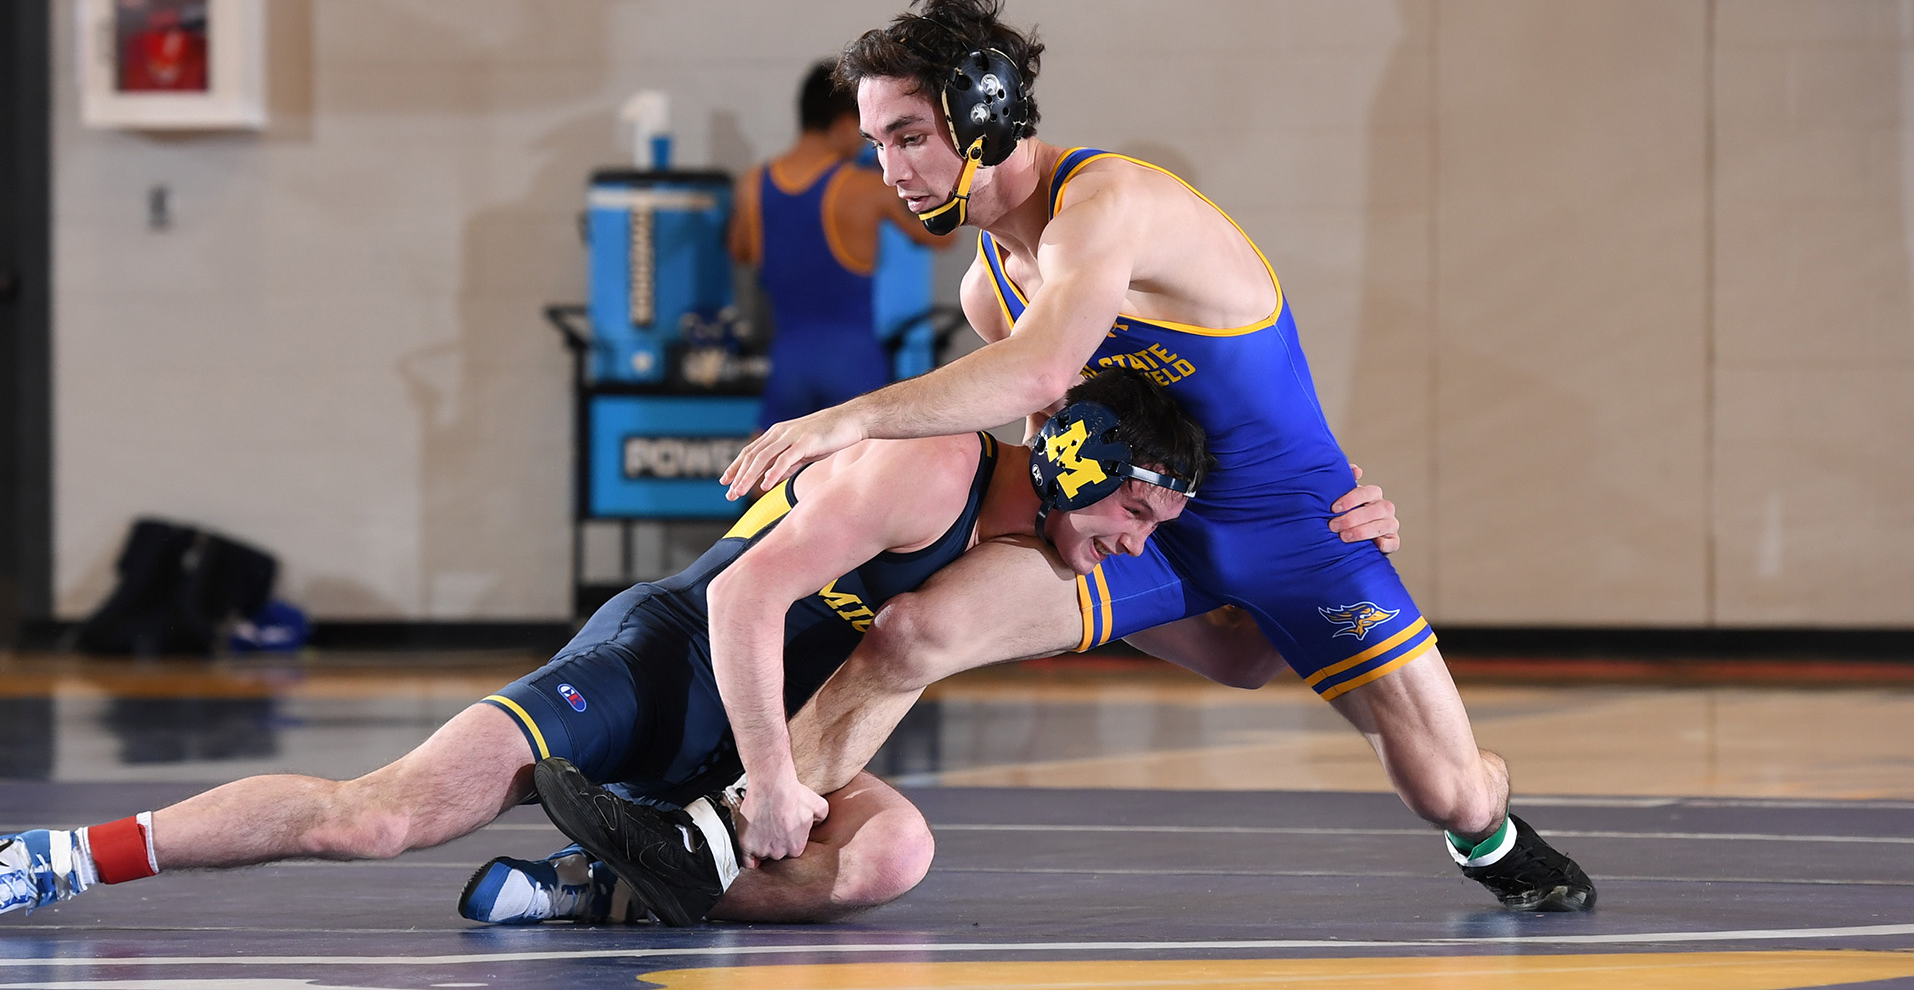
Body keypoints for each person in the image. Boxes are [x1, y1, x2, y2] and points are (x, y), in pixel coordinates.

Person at [706, 0, 1595, 917]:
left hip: (1298, 527)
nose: (888, 169)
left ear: (987, 117)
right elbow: (1056, 455)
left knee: (1441, 790)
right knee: (915, 633)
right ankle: (712, 836)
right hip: (1152, 532)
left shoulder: (1109, 203)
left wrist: (852, 418)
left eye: (910, 136)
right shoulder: (987, 288)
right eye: (877, 142)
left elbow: (1043, 374)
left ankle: (1488, 819)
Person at [0, 367, 1399, 926]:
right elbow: (741, 605)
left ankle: (592, 881)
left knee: (895, 854)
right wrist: (775, 780)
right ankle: (64, 858)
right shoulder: (934, 478)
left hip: (753, 751)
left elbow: (1242, 661)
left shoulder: (1048, 554)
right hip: (665, 665)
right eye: (1142, 515)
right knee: (380, 822)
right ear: (1084, 462)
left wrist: (1351, 557)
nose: (1142, 549)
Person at [732, 60, 956, 430]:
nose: (866, 142)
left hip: (788, 363)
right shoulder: (865, 186)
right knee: (861, 482)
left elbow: (742, 252)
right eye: (864, 131)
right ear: (841, 123)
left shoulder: (752, 185)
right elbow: (945, 236)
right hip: (853, 366)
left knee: (768, 481)